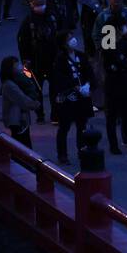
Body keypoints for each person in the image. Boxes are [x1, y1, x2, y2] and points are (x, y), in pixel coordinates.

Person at [50, 35, 93, 165]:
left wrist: (88, 84)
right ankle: (62, 154)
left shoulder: (81, 55)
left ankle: (82, 150)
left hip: (82, 97)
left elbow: (89, 72)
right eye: (69, 38)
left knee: (82, 125)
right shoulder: (60, 59)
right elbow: (59, 78)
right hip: (68, 98)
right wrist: (74, 86)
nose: (73, 40)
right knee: (64, 127)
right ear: (63, 44)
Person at [17, 0, 57, 124]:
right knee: (36, 91)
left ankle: (55, 114)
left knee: (55, 89)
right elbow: (22, 42)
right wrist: (25, 60)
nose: (40, 5)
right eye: (37, 2)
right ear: (31, 4)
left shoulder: (51, 17)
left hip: (52, 60)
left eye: (41, 2)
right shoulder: (28, 22)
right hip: (35, 62)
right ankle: (40, 115)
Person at [0, 56, 40, 149]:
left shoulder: (12, 82)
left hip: (20, 119)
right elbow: (23, 100)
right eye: (16, 65)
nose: (19, 67)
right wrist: (35, 104)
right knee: (22, 148)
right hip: (17, 121)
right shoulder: (9, 85)